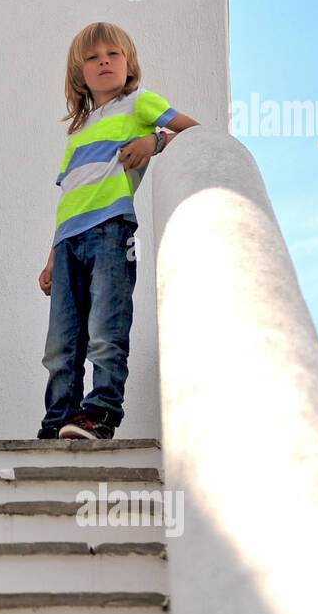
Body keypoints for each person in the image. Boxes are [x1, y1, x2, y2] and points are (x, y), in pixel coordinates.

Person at [37, 23, 200, 440]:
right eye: (92, 57)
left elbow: (195, 131)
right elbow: (70, 194)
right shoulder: (77, 133)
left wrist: (155, 142)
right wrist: (53, 255)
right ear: (80, 73)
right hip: (68, 241)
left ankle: (101, 412)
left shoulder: (140, 103)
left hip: (111, 231)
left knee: (106, 329)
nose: (104, 61)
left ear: (129, 66)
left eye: (113, 54)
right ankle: (59, 418)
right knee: (60, 343)